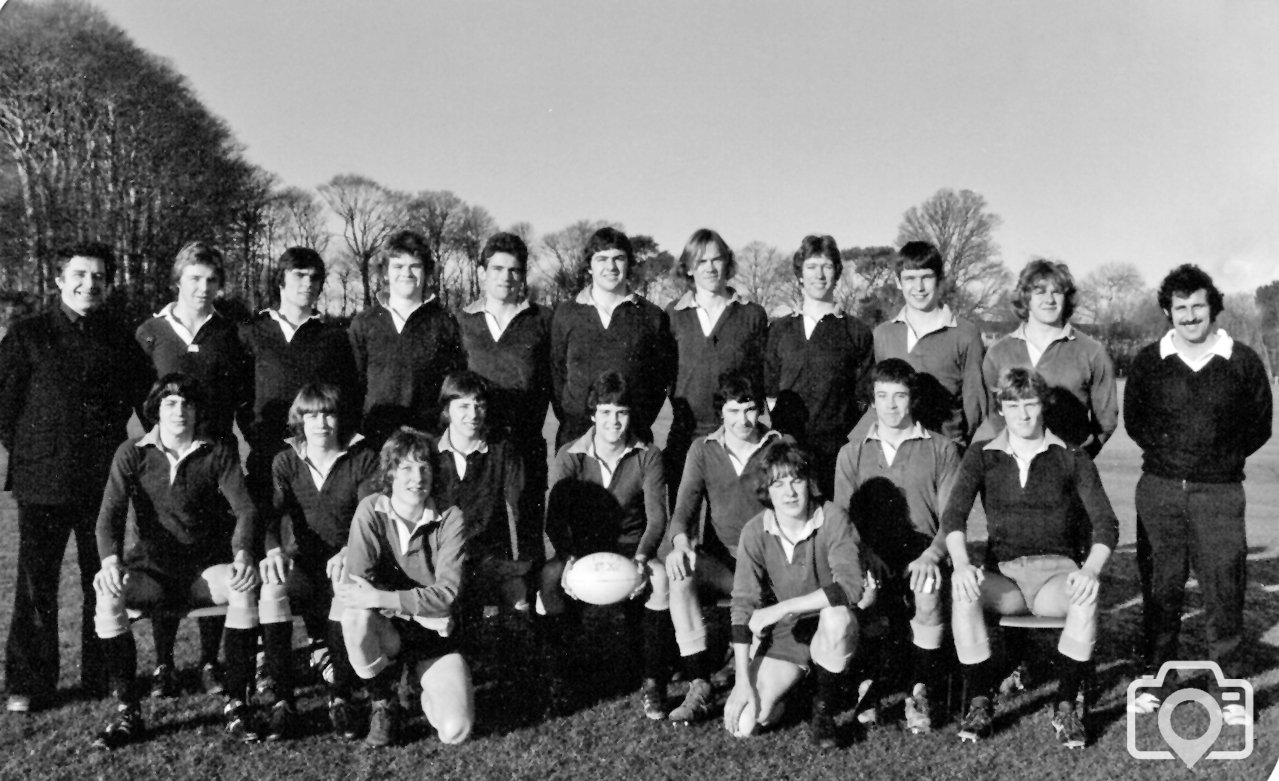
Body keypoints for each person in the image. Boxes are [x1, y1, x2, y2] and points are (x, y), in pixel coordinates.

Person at [0, 242, 151, 713]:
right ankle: (29, 684)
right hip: (41, 483)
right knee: (35, 584)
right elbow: (4, 410)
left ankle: (103, 674)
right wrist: (34, 452)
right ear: (60, 280)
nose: (90, 284)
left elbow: (143, 403)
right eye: (80, 275)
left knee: (101, 581)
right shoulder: (27, 335)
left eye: (99, 277)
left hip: (101, 485)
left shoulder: (119, 338)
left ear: (108, 285)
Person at [1125, 265, 1272, 722]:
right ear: (1168, 311)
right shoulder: (1150, 360)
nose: (1190, 316)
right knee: (1161, 588)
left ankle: (1228, 686)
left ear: (1213, 308)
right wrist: (1175, 460)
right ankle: (1154, 677)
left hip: (1221, 492)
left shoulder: (1242, 359)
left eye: (1198, 307)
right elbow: (1136, 422)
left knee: (1224, 590)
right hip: (1161, 490)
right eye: (1180, 308)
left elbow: (1260, 425)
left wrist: (1217, 459)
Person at [942, 367, 1117, 749]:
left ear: (1043, 406)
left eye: (1031, 404)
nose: (1023, 414)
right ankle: (979, 701)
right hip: (1005, 578)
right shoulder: (982, 455)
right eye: (1013, 405)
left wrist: (1089, 570)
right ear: (1001, 408)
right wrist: (960, 564)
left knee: (1085, 595)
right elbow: (953, 518)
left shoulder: (1071, 456)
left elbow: (1107, 525)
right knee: (964, 591)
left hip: (1056, 577)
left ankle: (1066, 705)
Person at [89, 374, 261, 749]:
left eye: (187, 403)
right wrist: (109, 563)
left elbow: (246, 510)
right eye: (170, 403)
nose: (179, 410)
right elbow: (109, 517)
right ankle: (127, 712)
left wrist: (244, 554)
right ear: (155, 409)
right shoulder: (132, 452)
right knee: (108, 594)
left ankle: (237, 703)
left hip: (204, 569)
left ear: (198, 410)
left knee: (243, 586)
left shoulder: (217, 451)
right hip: (153, 570)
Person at [135, 241, 253, 697]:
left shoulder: (231, 333)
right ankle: (164, 662)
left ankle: (209, 661)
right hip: (161, 467)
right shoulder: (149, 332)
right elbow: (138, 399)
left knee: (214, 559)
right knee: (161, 558)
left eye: (211, 280)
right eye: (194, 279)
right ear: (178, 280)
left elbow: (243, 396)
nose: (203, 288)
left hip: (215, 465)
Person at [832, 358, 960, 734]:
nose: (890, 405)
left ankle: (920, 689)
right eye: (882, 396)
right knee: (867, 599)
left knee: (926, 591)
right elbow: (841, 519)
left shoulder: (941, 448)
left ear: (913, 399)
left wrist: (932, 556)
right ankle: (868, 683)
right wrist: (864, 554)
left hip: (923, 552)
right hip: (870, 553)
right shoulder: (852, 451)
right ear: (872, 399)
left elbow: (953, 518)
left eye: (899, 396)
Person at [544, 371, 672, 719]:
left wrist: (644, 558)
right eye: (605, 412)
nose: (613, 421)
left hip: (632, 548)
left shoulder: (648, 455)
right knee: (548, 580)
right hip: (583, 550)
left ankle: (652, 682)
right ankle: (561, 679)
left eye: (621, 412)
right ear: (592, 415)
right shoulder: (570, 455)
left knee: (661, 580)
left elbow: (657, 518)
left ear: (631, 415)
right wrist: (569, 559)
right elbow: (555, 519)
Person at [723, 440, 865, 749]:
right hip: (790, 634)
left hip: (835, 625)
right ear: (766, 490)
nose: (789, 492)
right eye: (778, 483)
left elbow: (851, 587)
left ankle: (824, 710)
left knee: (835, 616)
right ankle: (803, 691)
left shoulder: (832, 517)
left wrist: (780, 608)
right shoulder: (754, 531)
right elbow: (742, 606)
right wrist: (741, 682)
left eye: (796, 481)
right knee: (744, 725)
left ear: (809, 482)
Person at [258, 384, 379, 741]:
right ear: (300, 420)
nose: (321, 423)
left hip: (351, 561)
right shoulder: (285, 460)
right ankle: (283, 702)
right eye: (312, 415)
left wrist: (350, 551)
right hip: (305, 563)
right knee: (272, 588)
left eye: (328, 413)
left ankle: (340, 697)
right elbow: (270, 514)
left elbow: (367, 516)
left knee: (345, 581)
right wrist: (273, 550)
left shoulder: (362, 456)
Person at [337, 427, 473, 749]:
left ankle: (418, 687)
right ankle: (384, 701)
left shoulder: (451, 518)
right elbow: (358, 585)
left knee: (456, 731)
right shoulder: (370, 510)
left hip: (434, 636)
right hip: (390, 632)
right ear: (390, 473)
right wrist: (397, 605)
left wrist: (381, 596)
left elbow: (448, 595)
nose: (417, 477)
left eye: (424, 467)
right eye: (407, 468)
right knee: (355, 617)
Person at [664, 372, 781, 724]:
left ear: (760, 409)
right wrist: (680, 544)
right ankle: (699, 681)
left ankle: (743, 668)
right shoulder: (703, 449)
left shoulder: (778, 445)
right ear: (721, 413)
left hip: (768, 564)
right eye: (733, 411)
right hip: (724, 564)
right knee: (680, 571)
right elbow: (682, 513)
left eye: (749, 410)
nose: (743, 420)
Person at [240, 247, 360, 502]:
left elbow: (349, 399)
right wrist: (259, 437)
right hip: (266, 458)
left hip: (317, 462)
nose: (308, 283)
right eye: (300, 275)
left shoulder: (335, 339)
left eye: (315, 277)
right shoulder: (252, 334)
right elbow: (241, 399)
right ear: (280, 280)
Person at [457, 232, 555, 536]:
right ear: (482, 273)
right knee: (477, 533)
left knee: (526, 534)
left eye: (514, 270)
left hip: (525, 445)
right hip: (475, 447)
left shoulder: (543, 320)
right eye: (497, 269)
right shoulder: (462, 321)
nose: (506, 277)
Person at [432, 371, 547, 624]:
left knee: (516, 601)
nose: (473, 415)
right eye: (463, 406)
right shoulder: (430, 454)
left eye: (479, 406)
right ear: (446, 410)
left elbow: (515, 510)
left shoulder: (503, 451)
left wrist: (512, 565)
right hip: (441, 559)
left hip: (491, 556)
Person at [765, 234, 873, 498]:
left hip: (833, 452)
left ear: (836, 272)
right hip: (787, 449)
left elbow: (863, 395)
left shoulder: (855, 331)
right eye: (811, 267)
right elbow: (768, 387)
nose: (819, 274)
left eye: (826, 266)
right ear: (800, 274)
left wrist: (838, 429)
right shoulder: (780, 329)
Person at [665, 229, 768, 501]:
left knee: (726, 530)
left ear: (728, 262)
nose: (709, 268)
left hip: (737, 435)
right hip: (685, 434)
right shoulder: (672, 315)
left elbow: (761, 375)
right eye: (700, 261)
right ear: (688, 268)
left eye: (716, 259)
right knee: (682, 522)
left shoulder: (752, 314)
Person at [550, 227, 676, 447]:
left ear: (629, 263)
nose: (610, 266)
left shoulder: (652, 316)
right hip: (576, 438)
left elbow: (660, 380)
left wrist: (639, 420)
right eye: (602, 259)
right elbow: (556, 373)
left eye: (618, 258)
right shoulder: (566, 313)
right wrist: (574, 416)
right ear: (589, 266)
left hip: (633, 439)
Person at [976, 259, 1115, 457]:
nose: (1049, 299)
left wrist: (1079, 459)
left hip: (1068, 474)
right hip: (1011, 472)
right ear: (1026, 298)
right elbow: (990, 414)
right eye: (1040, 292)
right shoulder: (998, 352)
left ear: (1066, 298)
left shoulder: (1091, 352)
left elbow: (1106, 420)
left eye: (1056, 292)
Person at [859, 241, 985, 448]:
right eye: (910, 279)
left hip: (949, 450)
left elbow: (975, 407)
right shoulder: (883, 334)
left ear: (940, 280)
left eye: (926, 277)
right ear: (898, 282)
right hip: (896, 451)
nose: (918, 287)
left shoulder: (965, 334)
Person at [349, 230, 465, 445]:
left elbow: (454, 386)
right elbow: (353, 387)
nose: (407, 273)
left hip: (428, 441)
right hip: (374, 442)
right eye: (398, 266)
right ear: (385, 273)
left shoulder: (445, 322)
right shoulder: (364, 323)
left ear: (427, 272)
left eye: (415, 266)